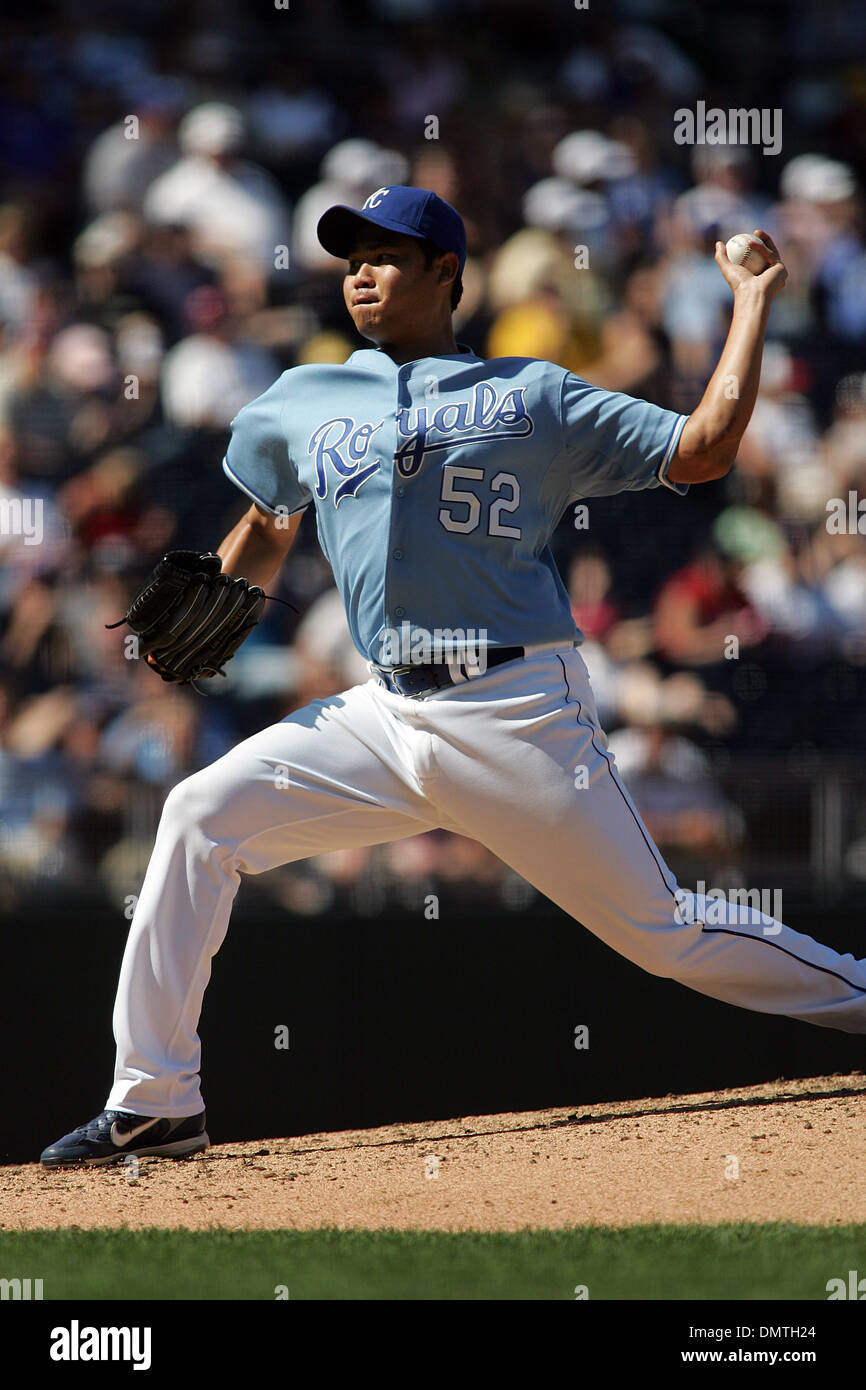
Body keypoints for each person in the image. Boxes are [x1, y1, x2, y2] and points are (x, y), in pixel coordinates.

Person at [41, 187, 866, 1168]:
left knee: (662, 932)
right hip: (382, 711)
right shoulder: (302, 397)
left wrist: (750, 300)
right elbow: (268, 522)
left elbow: (704, 447)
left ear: (446, 275)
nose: (360, 269)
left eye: (387, 253)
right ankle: (155, 1102)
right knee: (197, 815)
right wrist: (221, 593)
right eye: (350, 254)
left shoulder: (533, 394)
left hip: (515, 709)